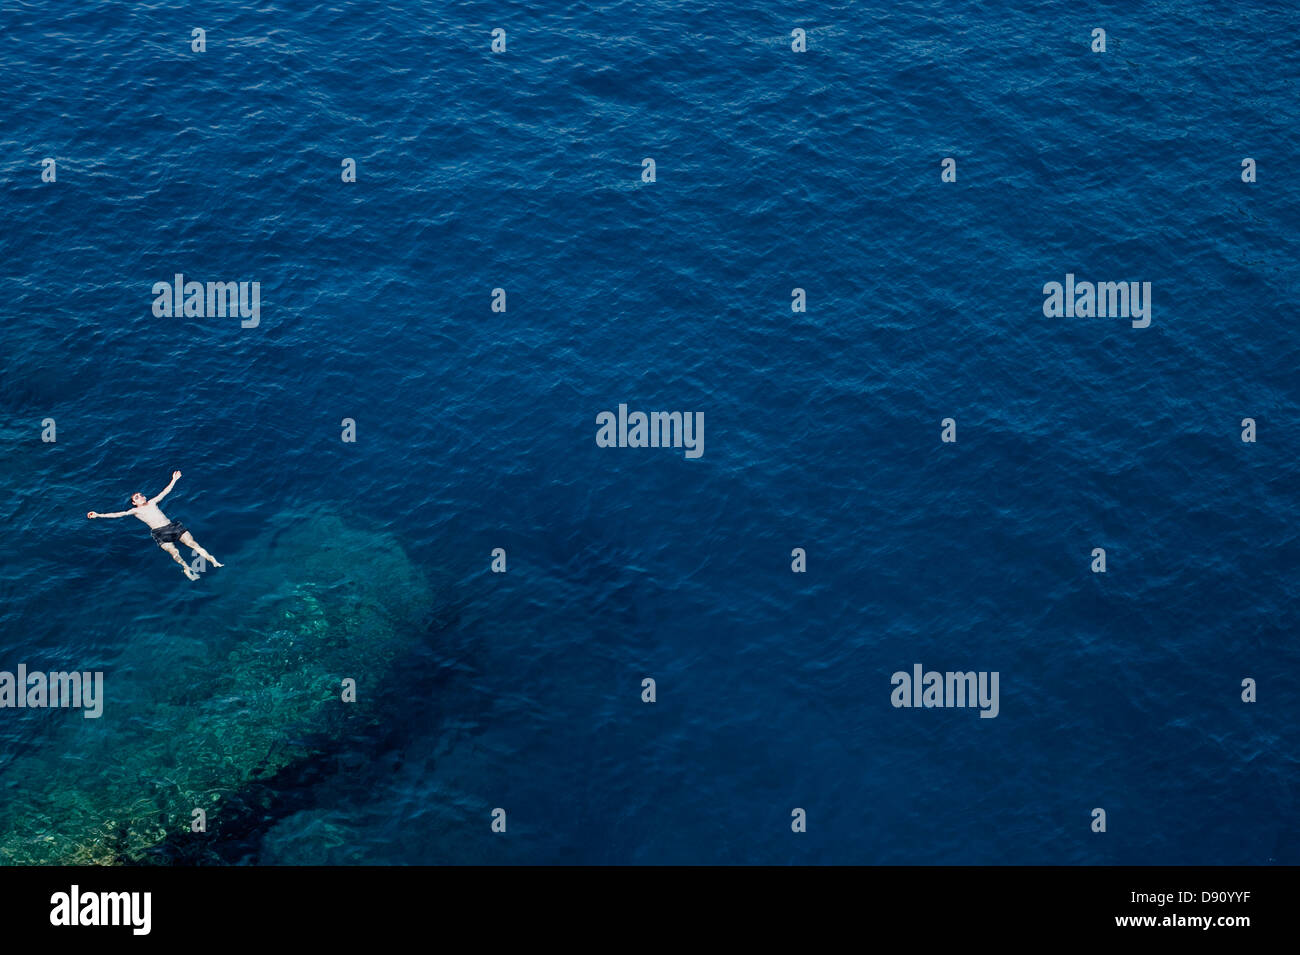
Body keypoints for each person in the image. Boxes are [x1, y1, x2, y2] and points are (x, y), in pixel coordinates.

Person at [87, 470, 223, 581]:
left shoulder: (152, 502)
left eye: (141, 495)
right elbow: (118, 514)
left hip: (172, 526)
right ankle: (187, 568)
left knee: (193, 544)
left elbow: (165, 492)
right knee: (175, 553)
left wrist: (174, 479)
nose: (140, 496)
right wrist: (99, 515)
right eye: (136, 497)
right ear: (134, 503)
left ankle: (212, 560)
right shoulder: (135, 510)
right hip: (159, 533)